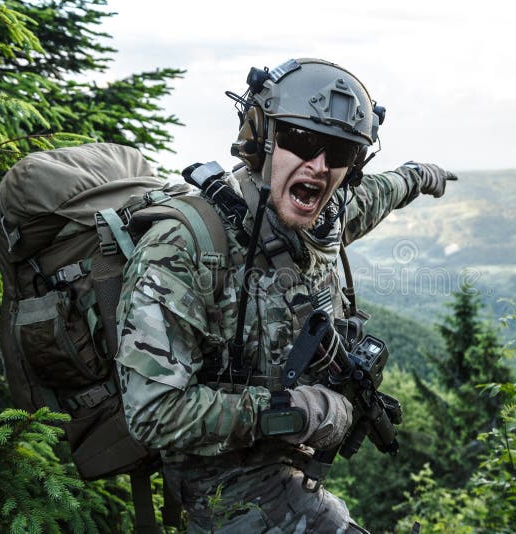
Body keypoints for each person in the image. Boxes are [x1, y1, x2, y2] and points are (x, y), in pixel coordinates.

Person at [115, 58, 456, 533]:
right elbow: (153, 414)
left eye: (339, 151)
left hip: (289, 461)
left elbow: (380, 192)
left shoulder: (325, 218)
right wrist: (300, 412)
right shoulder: (185, 249)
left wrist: (420, 176)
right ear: (262, 139)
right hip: (221, 478)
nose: (318, 166)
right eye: (300, 140)